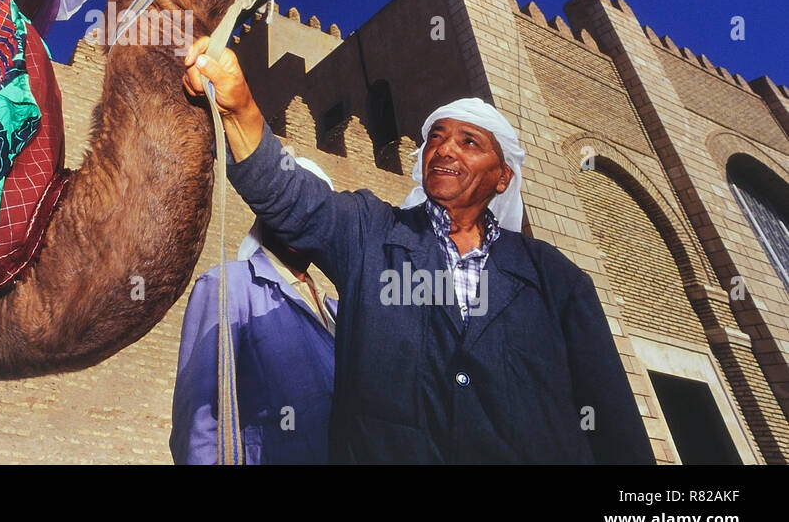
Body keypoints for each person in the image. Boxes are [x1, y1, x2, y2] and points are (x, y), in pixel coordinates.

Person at [182, 36, 655, 464]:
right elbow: (291, 198)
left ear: (502, 176)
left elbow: (613, 425)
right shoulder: (370, 234)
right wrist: (238, 109)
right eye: (437, 138)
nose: (445, 150)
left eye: (469, 142)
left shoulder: (556, 279)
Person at [170, 157, 339, 464]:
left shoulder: (337, 311)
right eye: (290, 203)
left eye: (314, 210)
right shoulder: (227, 286)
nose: (301, 218)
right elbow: (199, 422)